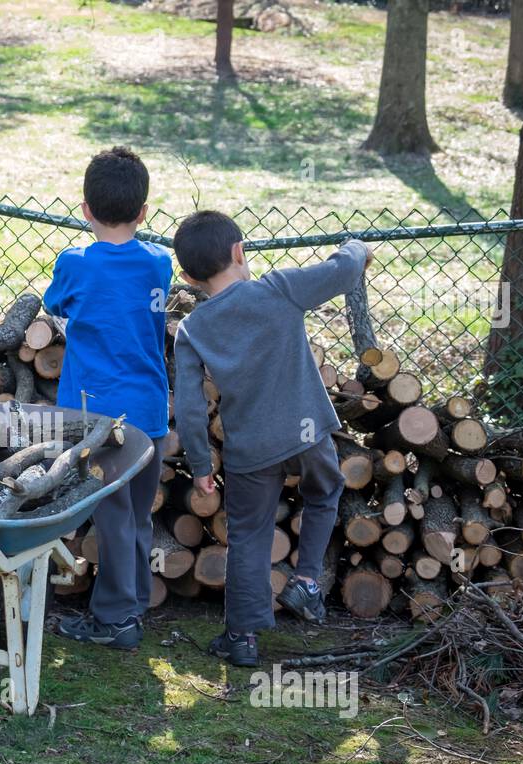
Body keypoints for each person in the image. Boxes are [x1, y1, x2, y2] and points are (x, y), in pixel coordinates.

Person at [172, 210, 372, 665]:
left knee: (248, 537)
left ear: (187, 276)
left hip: (249, 449)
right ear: (240, 252)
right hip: (308, 435)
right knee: (325, 492)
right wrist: (357, 248)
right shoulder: (279, 287)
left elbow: (188, 404)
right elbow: (342, 271)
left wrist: (201, 465)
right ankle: (305, 583)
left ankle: (241, 638)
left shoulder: (193, 328)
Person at [43, 146, 172, 651]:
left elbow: (56, 304)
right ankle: (132, 604)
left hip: (97, 415)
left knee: (114, 516)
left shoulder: (76, 263)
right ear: (144, 212)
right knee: (138, 515)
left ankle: (116, 619)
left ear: (85, 210)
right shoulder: (159, 262)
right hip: (149, 409)